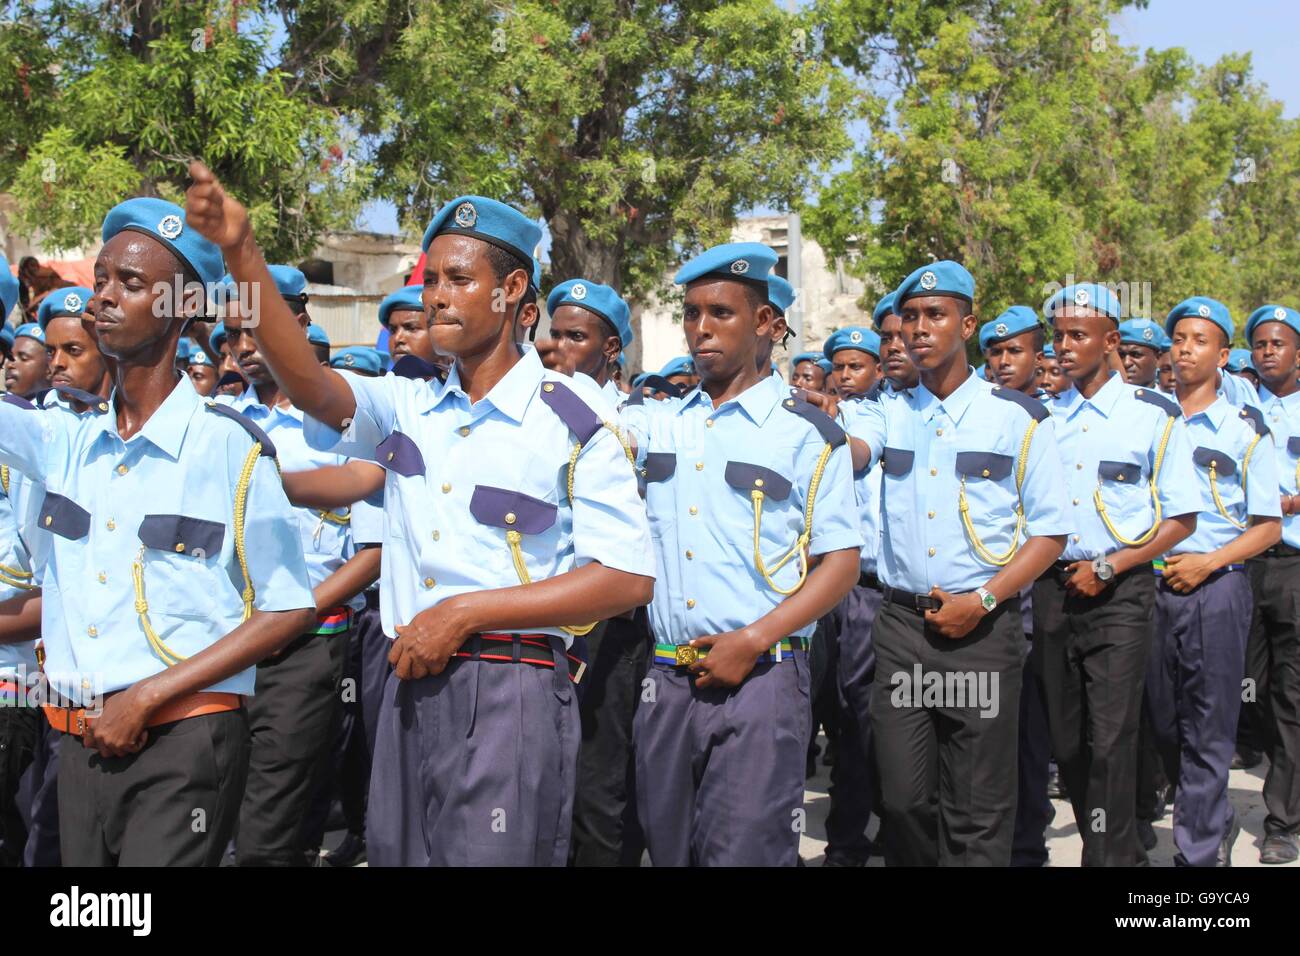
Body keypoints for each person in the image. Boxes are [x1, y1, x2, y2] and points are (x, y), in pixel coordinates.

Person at [185, 170, 655, 866]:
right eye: (433, 279)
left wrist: (467, 613)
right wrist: (242, 255)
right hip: (407, 685)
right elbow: (310, 385)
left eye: (460, 279)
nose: (437, 295)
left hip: (509, 688)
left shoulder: (573, 420)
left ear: (513, 291)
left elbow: (625, 577)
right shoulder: (407, 406)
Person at [0, 196, 317, 866]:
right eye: (102, 278)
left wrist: (148, 695)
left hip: (182, 740)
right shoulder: (63, 441)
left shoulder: (229, 449)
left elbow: (288, 607)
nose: (101, 298)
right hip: (81, 738)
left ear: (179, 307)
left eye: (131, 284)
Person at [623, 242, 860, 866]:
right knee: (670, 853)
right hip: (668, 679)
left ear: (767, 325)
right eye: (691, 314)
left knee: (747, 854)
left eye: (721, 314)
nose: (701, 330)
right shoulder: (659, 425)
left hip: (762, 679)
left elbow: (840, 564)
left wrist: (753, 639)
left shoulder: (811, 433)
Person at [850, 261, 1068, 866]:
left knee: (978, 809)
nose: (919, 329)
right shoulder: (885, 411)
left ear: (967, 323)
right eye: (911, 319)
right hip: (899, 628)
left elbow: (1049, 532)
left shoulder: (1017, 417)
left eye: (935, 316)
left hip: (982, 630)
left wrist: (986, 601)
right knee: (902, 801)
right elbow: (847, 451)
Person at [219, 264, 382, 867]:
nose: (241, 348)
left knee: (271, 830)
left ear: (298, 325)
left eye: (254, 331)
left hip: (306, 644)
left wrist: (293, 616)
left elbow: (372, 554)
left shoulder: (343, 424)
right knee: (216, 818)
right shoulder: (216, 422)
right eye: (232, 335)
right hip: (220, 644)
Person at [1037, 282, 1200, 867]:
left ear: (1110, 341)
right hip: (1051, 588)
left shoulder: (1152, 415)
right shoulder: (1040, 418)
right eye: (1057, 336)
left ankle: (1107, 859)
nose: (1064, 347)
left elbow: (1181, 518)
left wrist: (1109, 566)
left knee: (1110, 738)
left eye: (1077, 335)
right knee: (1066, 741)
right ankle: (1115, 843)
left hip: (1119, 593)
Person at [1147, 297, 1280, 867]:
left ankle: (1197, 855)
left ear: (1223, 355)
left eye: (1200, 340)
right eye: (1178, 337)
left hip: (1215, 586)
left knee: (1209, 722)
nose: (1185, 348)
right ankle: (1213, 815)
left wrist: (1207, 562)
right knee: (1159, 722)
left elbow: (1269, 526)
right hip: (1146, 587)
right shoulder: (1145, 416)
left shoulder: (1245, 428)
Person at [978, 305, 1055, 867]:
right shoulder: (978, 416)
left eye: (1016, 351)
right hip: (996, 593)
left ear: (1038, 355)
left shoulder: (1046, 419)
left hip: (1046, 588)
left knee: (1033, 728)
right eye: (996, 353)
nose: (1005, 362)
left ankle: (1027, 845)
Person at [815, 324, 884, 867]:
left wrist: (831, 421)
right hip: (824, 592)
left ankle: (856, 836)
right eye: (838, 366)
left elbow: (858, 455)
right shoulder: (811, 419)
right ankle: (841, 838)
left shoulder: (881, 416)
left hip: (873, 594)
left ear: (878, 371)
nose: (844, 375)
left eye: (857, 366)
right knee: (826, 715)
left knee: (864, 719)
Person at [1241, 304, 1300, 864]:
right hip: (1242, 561)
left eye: (1277, 343)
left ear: (1298, 354)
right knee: (1243, 682)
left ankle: (1282, 820)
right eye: (1259, 343)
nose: (1266, 352)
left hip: (1294, 565)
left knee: (1290, 693)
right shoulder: (1237, 406)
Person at [542, 279, 633, 409]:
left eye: (576, 336)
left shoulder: (636, 417)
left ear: (612, 348)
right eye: (555, 335)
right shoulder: (537, 406)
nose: (559, 346)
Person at [1116, 318, 1168, 388]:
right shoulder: (1102, 398)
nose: (1126, 363)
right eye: (1121, 355)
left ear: (1158, 358)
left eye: (1136, 355)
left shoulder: (1168, 398)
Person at [4, 324, 50, 398]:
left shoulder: (64, 408)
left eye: (23, 358)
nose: (10, 365)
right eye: (9, 357)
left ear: (49, 368)